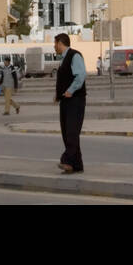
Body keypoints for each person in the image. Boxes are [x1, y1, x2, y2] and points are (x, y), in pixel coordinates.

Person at [53, 32, 86, 173]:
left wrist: (70, 90)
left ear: (60, 43)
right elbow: (64, 78)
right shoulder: (63, 59)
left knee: (72, 132)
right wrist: (58, 95)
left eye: (55, 44)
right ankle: (77, 165)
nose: (54, 47)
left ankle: (66, 160)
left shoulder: (74, 55)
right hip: (65, 101)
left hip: (75, 100)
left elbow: (81, 75)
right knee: (67, 133)